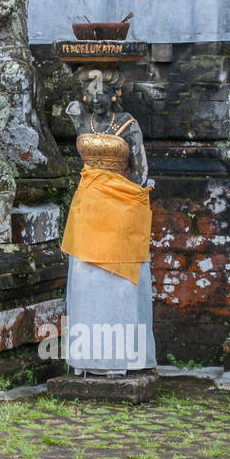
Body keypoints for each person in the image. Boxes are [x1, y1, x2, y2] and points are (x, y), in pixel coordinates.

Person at [59, 71, 157, 375]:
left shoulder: (128, 124)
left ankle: (122, 358)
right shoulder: (82, 119)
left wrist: (124, 203)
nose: (92, 99)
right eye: (89, 93)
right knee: (87, 280)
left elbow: (140, 173)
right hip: (88, 207)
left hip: (120, 208)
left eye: (99, 93)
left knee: (119, 285)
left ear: (114, 94)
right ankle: (89, 358)